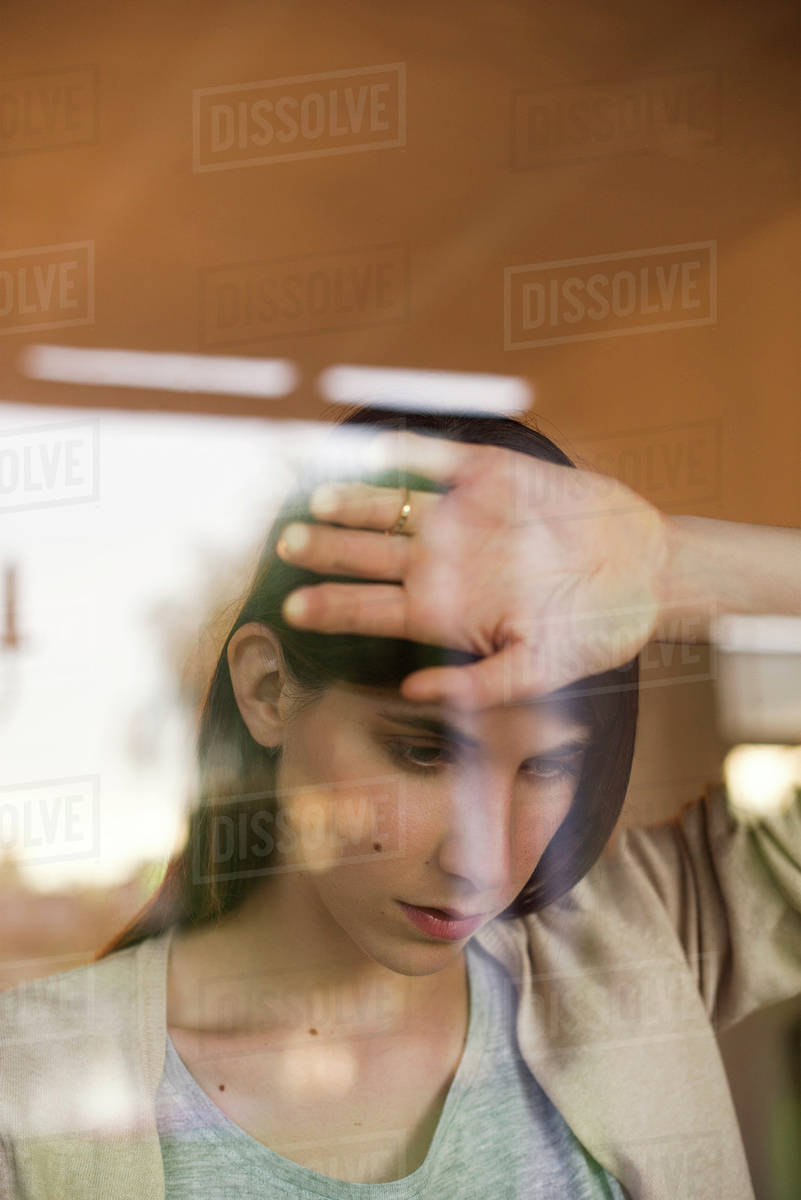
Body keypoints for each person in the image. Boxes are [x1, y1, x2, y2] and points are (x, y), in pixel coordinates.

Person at [1, 406, 799, 1200]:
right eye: (423, 752)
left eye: (547, 766)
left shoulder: (638, 939)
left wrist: (674, 566)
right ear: (267, 690)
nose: (480, 858)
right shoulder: (28, 1087)